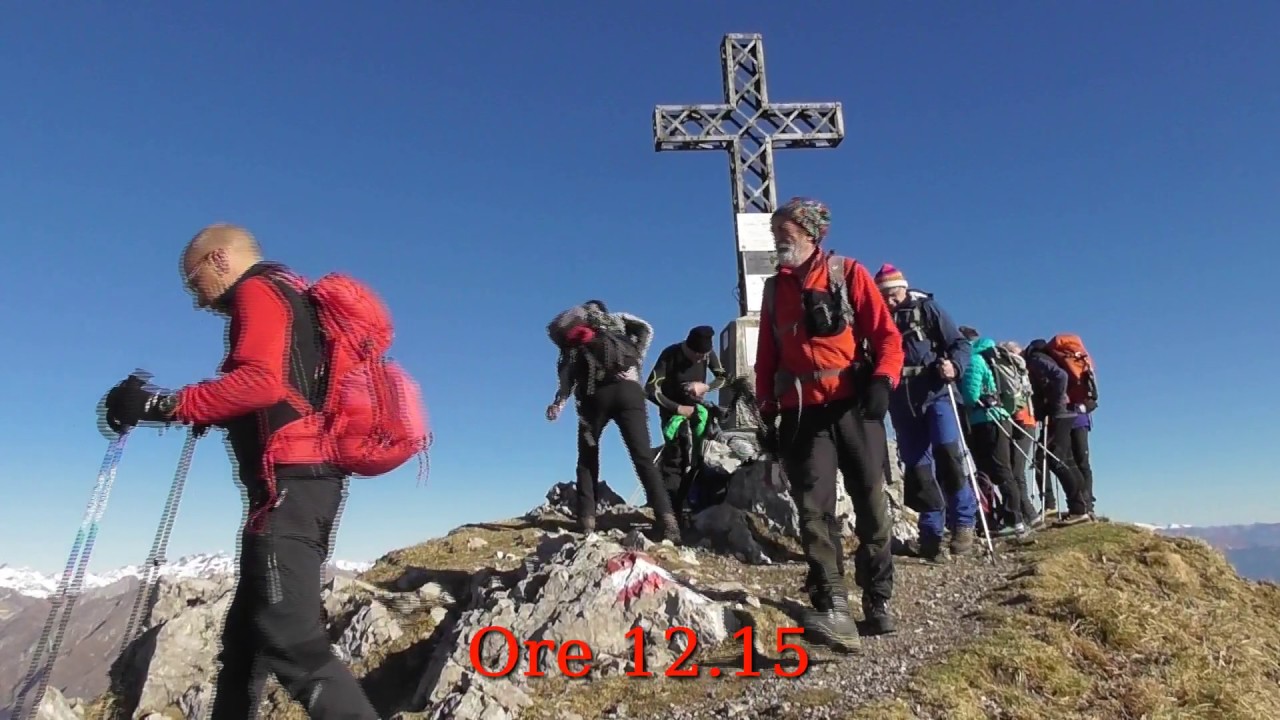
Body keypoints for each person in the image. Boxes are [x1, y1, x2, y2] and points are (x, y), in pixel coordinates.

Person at [100, 224, 381, 720]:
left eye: (194, 284)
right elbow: (284, 393)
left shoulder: (258, 290)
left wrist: (162, 405)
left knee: (294, 644)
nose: (197, 301)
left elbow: (261, 385)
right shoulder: (297, 300)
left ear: (219, 261)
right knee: (245, 643)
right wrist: (215, 410)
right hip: (306, 486)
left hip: (290, 490)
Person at [755, 197, 904, 650]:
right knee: (813, 509)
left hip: (854, 406)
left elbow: (886, 337)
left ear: (811, 232)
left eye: (786, 230)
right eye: (775, 230)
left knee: (870, 502)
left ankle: (877, 601)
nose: (778, 237)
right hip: (802, 411)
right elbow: (767, 356)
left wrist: (883, 381)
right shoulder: (772, 290)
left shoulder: (848, 272)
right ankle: (833, 604)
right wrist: (766, 408)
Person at [546, 300, 681, 542]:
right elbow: (647, 329)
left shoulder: (572, 343)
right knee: (643, 458)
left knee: (587, 458)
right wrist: (636, 361)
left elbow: (565, 380)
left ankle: (587, 521)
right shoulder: (617, 323)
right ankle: (668, 522)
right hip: (629, 393)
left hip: (591, 399)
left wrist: (559, 404)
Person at [874, 263, 978, 562]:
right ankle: (931, 533)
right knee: (918, 468)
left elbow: (958, 343)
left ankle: (963, 524)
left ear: (903, 288)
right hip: (900, 399)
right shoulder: (879, 318)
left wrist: (954, 366)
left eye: (893, 294)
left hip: (936, 393)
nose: (890, 300)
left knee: (949, 456)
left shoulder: (928, 309)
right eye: (885, 296)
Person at [643, 325, 728, 520]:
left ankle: (696, 507)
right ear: (688, 348)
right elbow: (649, 389)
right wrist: (678, 408)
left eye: (703, 356)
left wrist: (705, 386)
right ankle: (671, 514)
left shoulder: (707, 355)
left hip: (699, 413)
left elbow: (723, 377)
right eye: (695, 355)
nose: (699, 359)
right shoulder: (670, 354)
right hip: (674, 414)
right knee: (677, 459)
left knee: (701, 457)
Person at [960, 336, 1030, 538]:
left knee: (994, 471)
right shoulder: (995, 360)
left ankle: (1011, 520)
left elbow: (970, 395)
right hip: (1002, 417)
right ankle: (1009, 519)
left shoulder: (975, 360)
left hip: (984, 420)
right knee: (1003, 469)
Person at [1022, 339, 1091, 525]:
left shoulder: (1036, 358)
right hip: (1065, 413)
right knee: (1066, 460)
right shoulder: (1046, 357)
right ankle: (1081, 507)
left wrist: (1055, 404)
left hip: (1059, 414)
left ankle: (1078, 508)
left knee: (1055, 459)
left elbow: (1060, 377)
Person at [998, 340, 1042, 525]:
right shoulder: (1024, 370)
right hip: (1028, 421)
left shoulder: (1009, 369)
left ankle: (1029, 515)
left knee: (1015, 471)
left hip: (1019, 421)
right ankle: (1025, 514)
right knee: (1017, 470)